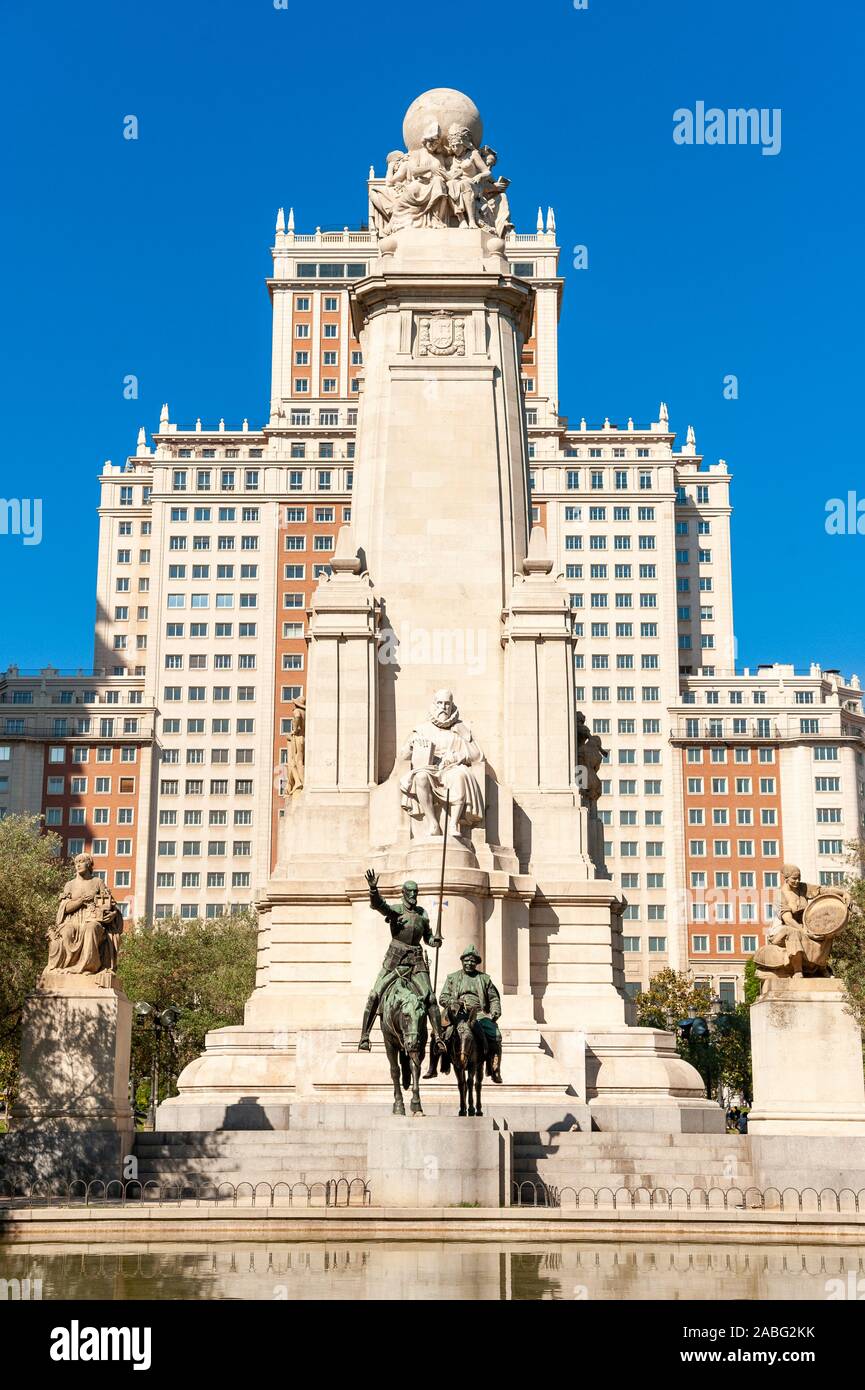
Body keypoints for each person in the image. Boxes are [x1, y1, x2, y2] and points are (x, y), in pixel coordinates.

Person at [357, 869, 446, 1054]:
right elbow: (380, 905)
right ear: (404, 893)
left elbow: (427, 937)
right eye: (410, 892)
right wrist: (373, 889)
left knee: (430, 997)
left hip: (416, 961)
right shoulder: (397, 910)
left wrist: (433, 941)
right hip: (394, 960)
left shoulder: (423, 913)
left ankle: (438, 1038)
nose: (414, 895)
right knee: (374, 995)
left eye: (416, 892)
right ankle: (365, 1036)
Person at [424, 944, 503, 1083]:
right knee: (437, 1033)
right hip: (455, 1013)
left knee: (496, 1036)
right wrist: (454, 1002)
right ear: (462, 961)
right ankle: (432, 1068)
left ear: (477, 963)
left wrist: (495, 1010)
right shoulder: (452, 978)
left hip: (478, 1014)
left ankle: (495, 1069)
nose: (469, 963)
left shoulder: (485, 979)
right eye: (466, 960)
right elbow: (443, 998)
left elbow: (493, 998)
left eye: (472, 961)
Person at [47, 852, 123, 976]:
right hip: (73, 920)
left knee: (91, 928)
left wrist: (113, 913)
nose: (78, 865)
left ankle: (89, 966)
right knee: (66, 932)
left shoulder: (98, 882)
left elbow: (109, 903)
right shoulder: (70, 885)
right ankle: (65, 967)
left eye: (81, 862)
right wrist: (80, 900)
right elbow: (64, 908)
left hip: (93, 918)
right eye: (76, 862)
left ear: (89, 864)